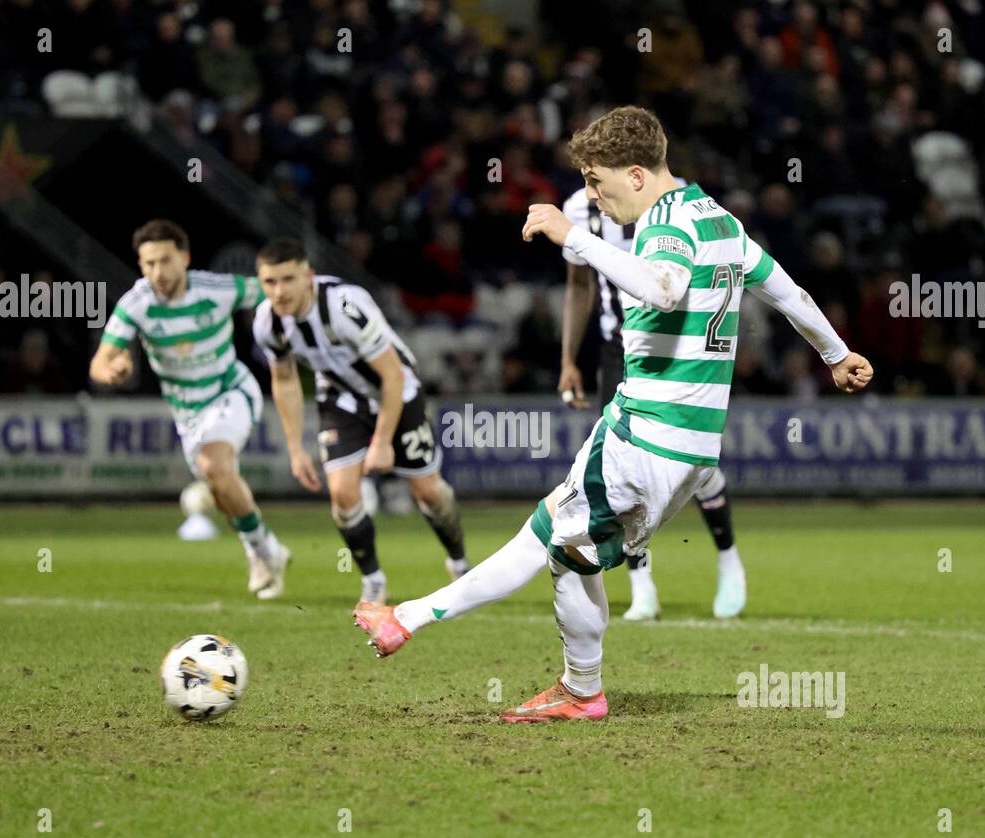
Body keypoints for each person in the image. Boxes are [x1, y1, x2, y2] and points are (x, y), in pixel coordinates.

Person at [354, 107, 872, 722]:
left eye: (597, 184)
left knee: (554, 543)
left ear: (635, 173)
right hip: (690, 446)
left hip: (645, 435)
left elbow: (664, 287)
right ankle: (505, 659)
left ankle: (470, 644)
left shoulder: (665, 225)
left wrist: (572, 237)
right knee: (567, 544)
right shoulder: (721, 219)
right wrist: (836, 353)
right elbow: (787, 291)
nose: (594, 200)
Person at [559, 176, 745, 620]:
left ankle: (728, 557)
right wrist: (568, 358)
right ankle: (642, 586)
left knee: (695, 466)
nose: (592, 187)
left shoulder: (679, 201)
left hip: (679, 345)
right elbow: (579, 287)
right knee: (622, 466)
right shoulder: (580, 207)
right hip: (618, 348)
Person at [253, 237, 469, 609]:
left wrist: (383, 441)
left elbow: (392, 375)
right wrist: (294, 448)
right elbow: (285, 380)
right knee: (342, 493)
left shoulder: (344, 306)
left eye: (288, 279)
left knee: (429, 492)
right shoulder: (267, 322)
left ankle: (460, 564)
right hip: (341, 399)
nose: (279, 291)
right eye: (269, 282)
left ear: (308, 276)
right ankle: (373, 580)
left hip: (397, 392)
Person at [90, 219, 290, 599]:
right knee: (220, 491)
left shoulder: (216, 289)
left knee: (214, 466)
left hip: (230, 390)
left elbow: (272, 291)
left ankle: (261, 553)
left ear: (184, 258)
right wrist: (113, 370)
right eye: (148, 263)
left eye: (165, 261)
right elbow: (100, 362)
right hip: (188, 415)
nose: (157, 272)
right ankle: (267, 549)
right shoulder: (137, 303)